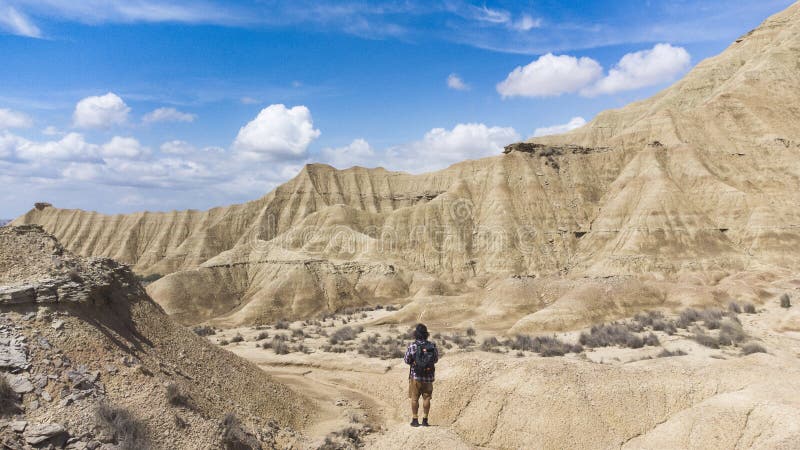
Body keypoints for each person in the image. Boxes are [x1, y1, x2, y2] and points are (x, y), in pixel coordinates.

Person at [403, 323, 439, 427]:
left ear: (416, 334)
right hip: (428, 377)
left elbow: (406, 360)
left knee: (414, 398)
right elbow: (435, 360)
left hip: (416, 376)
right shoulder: (432, 346)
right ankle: (425, 420)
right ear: (426, 334)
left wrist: (415, 362)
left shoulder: (412, 346)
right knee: (427, 398)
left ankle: (415, 420)